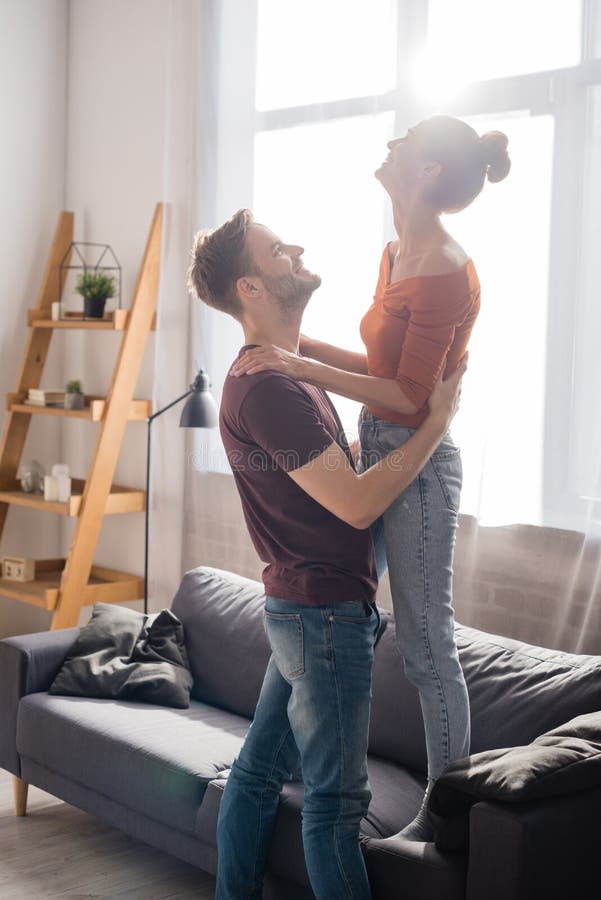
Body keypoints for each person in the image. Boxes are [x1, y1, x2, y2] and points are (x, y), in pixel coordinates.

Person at [233, 115, 511, 842]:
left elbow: (411, 397)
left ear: (426, 171)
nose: (390, 144)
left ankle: (446, 819)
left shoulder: (444, 269)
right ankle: (269, 770)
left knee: (426, 647)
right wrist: (284, 346)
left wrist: (296, 362)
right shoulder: (396, 252)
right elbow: (382, 372)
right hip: (382, 446)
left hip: (419, 460)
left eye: (404, 139)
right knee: (337, 604)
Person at [187, 207, 466, 899]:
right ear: (250, 288)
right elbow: (357, 503)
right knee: (336, 806)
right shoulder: (271, 388)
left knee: (257, 773)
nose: (297, 249)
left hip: (304, 608)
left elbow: (328, 472)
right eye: (277, 251)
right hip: (323, 619)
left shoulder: (287, 371)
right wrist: (434, 426)